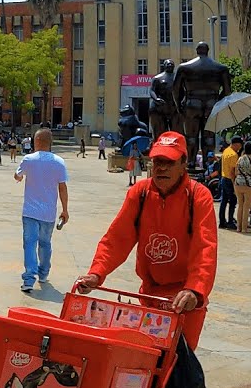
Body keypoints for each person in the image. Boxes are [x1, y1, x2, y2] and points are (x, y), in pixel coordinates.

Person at [75, 131, 217, 348]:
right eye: (157, 161)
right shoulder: (140, 193)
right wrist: (96, 273)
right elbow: (117, 239)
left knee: (178, 366)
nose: (161, 168)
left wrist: (194, 290)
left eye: (169, 162)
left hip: (185, 300)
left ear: (183, 163)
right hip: (151, 295)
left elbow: (205, 248)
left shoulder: (198, 196)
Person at [14, 129, 69, 292]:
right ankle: (43, 273)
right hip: (48, 212)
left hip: (30, 211)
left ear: (36, 141)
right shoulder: (59, 162)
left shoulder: (28, 159)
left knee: (30, 244)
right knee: (45, 243)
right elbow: (62, 187)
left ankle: (29, 279)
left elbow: (17, 175)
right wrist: (65, 210)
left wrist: (19, 177)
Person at [219, 136, 243, 229]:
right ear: (236, 144)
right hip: (230, 180)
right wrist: (234, 184)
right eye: (240, 145)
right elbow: (233, 171)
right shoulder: (233, 155)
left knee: (223, 201)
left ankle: (222, 221)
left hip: (223, 178)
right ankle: (230, 221)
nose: (240, 147)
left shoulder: (226, 151)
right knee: (233, 201)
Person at [235, 143, 251, 233]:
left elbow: (236, 171)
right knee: (246, 206)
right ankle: (244, 228)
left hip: (238, 183)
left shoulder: (240, 158)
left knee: (240, 205)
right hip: (248, 184)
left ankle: (238, 227)